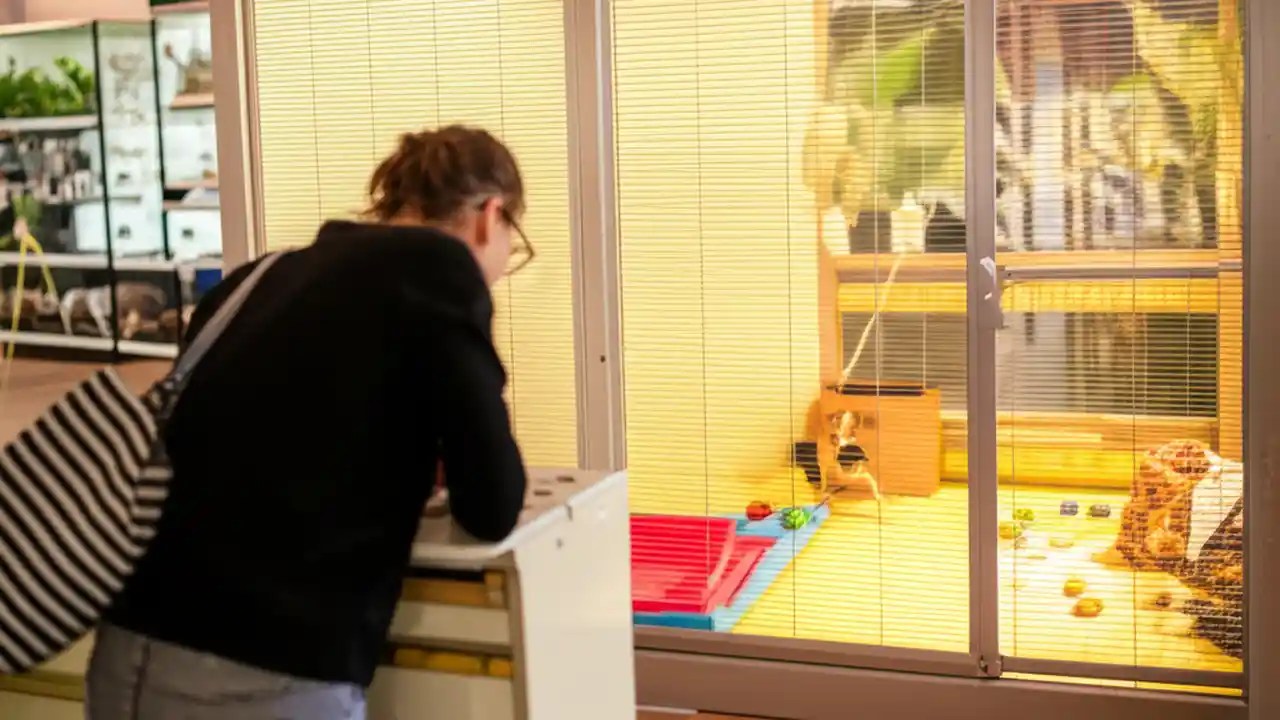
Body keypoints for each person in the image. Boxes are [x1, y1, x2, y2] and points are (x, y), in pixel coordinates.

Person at [86, 125, 531, 719]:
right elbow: (493, 503)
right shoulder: (438, 275)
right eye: (511, 240)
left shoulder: (257, 279)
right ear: (489, 216)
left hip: (127, 648)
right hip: (265, 668)